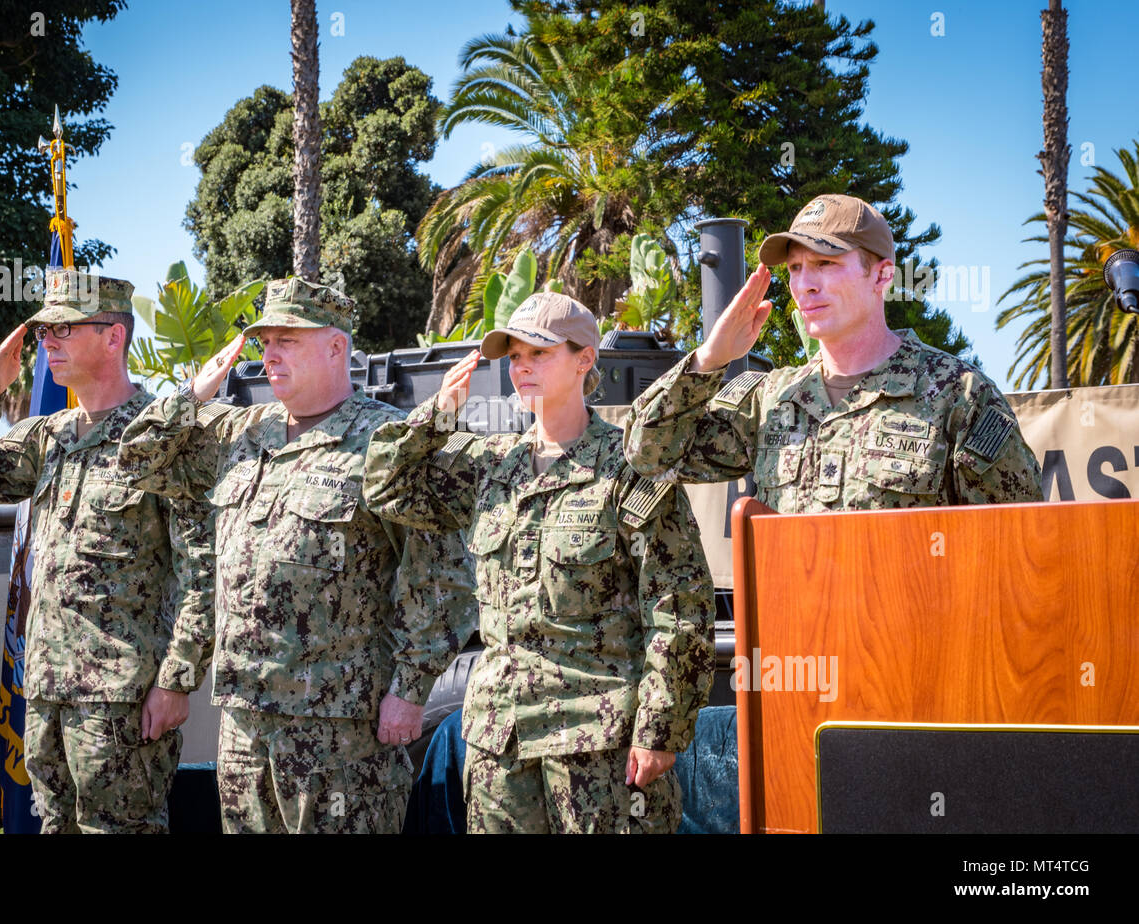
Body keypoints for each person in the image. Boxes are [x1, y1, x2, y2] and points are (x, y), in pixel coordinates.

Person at [116, 277, 476, 834]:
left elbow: (443, 575)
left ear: (336, 347)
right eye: (264, 342)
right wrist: (190, 397)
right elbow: (138, 461)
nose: (270, 354)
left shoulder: (386, 442)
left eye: (287, 339)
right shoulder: (240, 434)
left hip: (342, 732)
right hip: (244, 725)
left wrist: (410, 689)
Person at [362, 291, 715, 834]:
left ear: (585, 359)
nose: (521, 365)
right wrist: (435, 416)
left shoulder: (630, 467)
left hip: (599, 741)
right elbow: (384, 485)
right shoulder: (487, 465)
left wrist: (660, 729)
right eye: (515, 355)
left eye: (539, 353)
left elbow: (679, 605)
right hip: (499, 743)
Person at [0, 268, 213, 833]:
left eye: (64, 329)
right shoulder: (50, 436)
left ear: (113, 338)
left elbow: (202, 569)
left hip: (122, 700)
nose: (47, 342)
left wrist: (177, 680)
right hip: (46, 690)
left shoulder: (163, 433)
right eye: (43, 332)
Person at [624, 194, 1043, 509]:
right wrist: (708, 360)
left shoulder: (958, 395)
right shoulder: (772, 398)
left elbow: (1015, 542)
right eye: (795, 268)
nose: (805, 284)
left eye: (825, 264)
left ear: (881, 276)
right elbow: (648, 455)